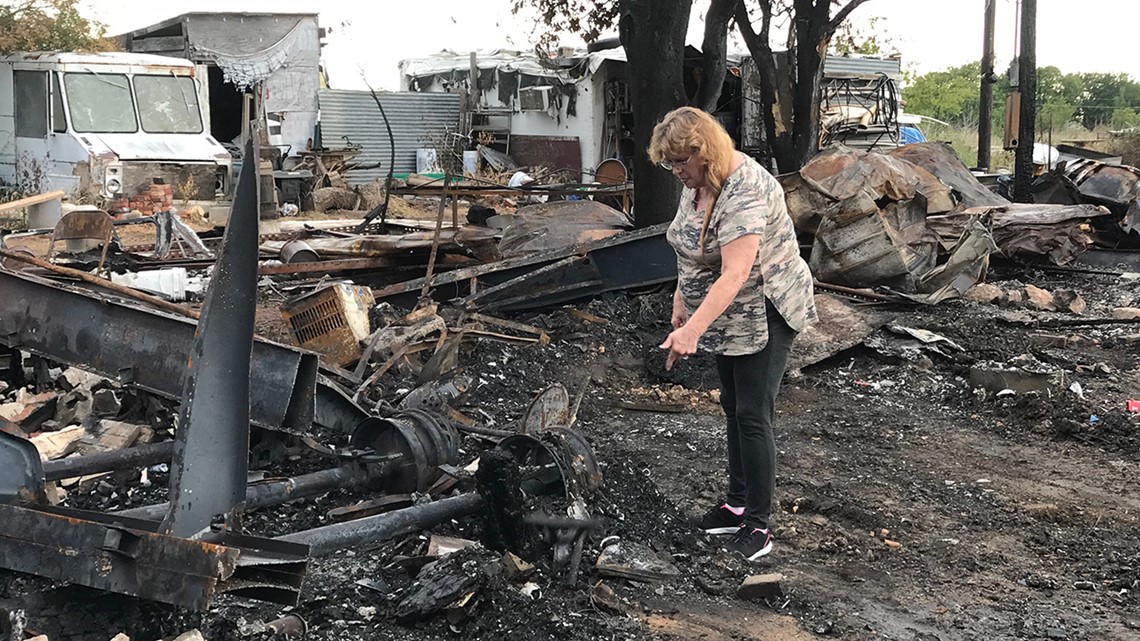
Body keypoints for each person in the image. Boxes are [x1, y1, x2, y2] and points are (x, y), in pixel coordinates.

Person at [649, 106, 817, 561]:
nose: (675, 171)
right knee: (731, 404)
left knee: (752, 412)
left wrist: (693, 332)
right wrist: (682, 301)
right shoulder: (697, 184)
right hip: (727, 312)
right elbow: (687, 244)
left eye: (681, 161)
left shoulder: (745, 189)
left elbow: (737, 272)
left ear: (705, 152)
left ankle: (759, 527)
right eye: (670, 163)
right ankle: (736, 503)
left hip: (766, 306)